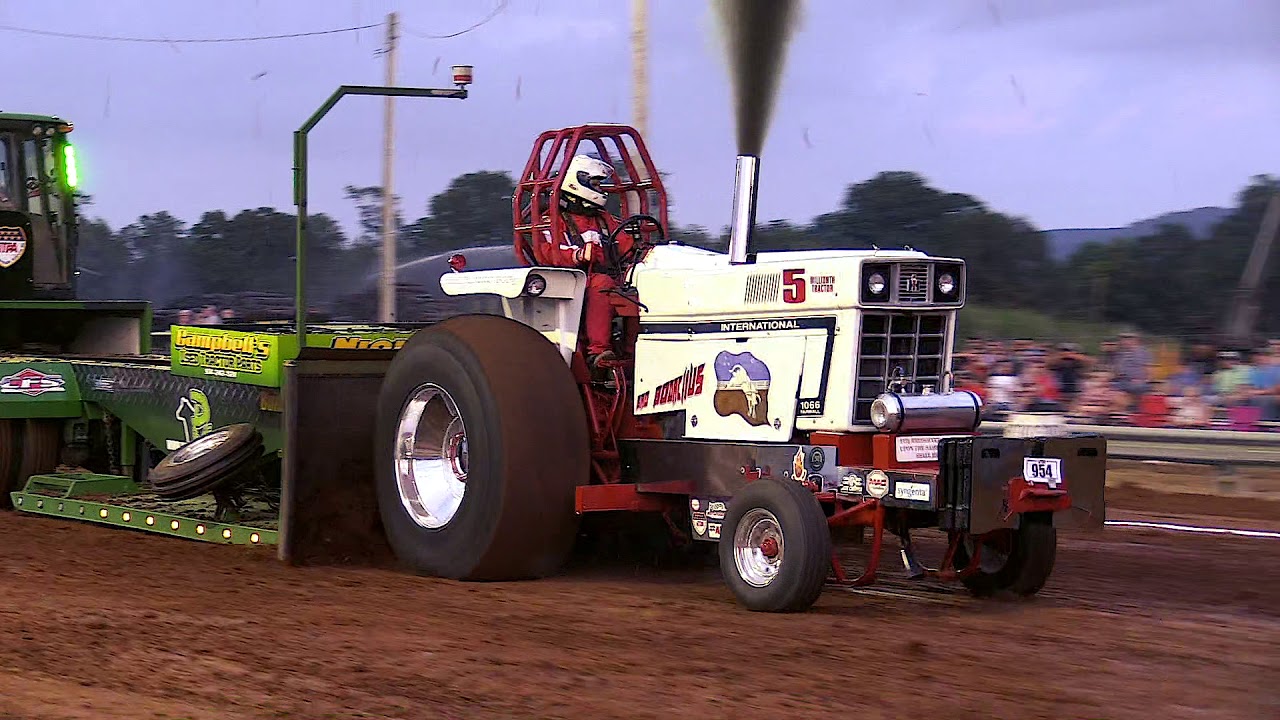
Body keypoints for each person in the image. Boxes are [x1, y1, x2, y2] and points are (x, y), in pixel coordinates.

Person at [539, 154, 632, 367]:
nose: (600, 189)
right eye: (596, 184)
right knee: (602, 284)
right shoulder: (553, 219)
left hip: (604, 275)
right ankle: (598, 353)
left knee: (640, 283)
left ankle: (632, 350)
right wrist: (578, 255)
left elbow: (624, 243)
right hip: (572, 279)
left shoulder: (602, 218)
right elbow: (548, 251)